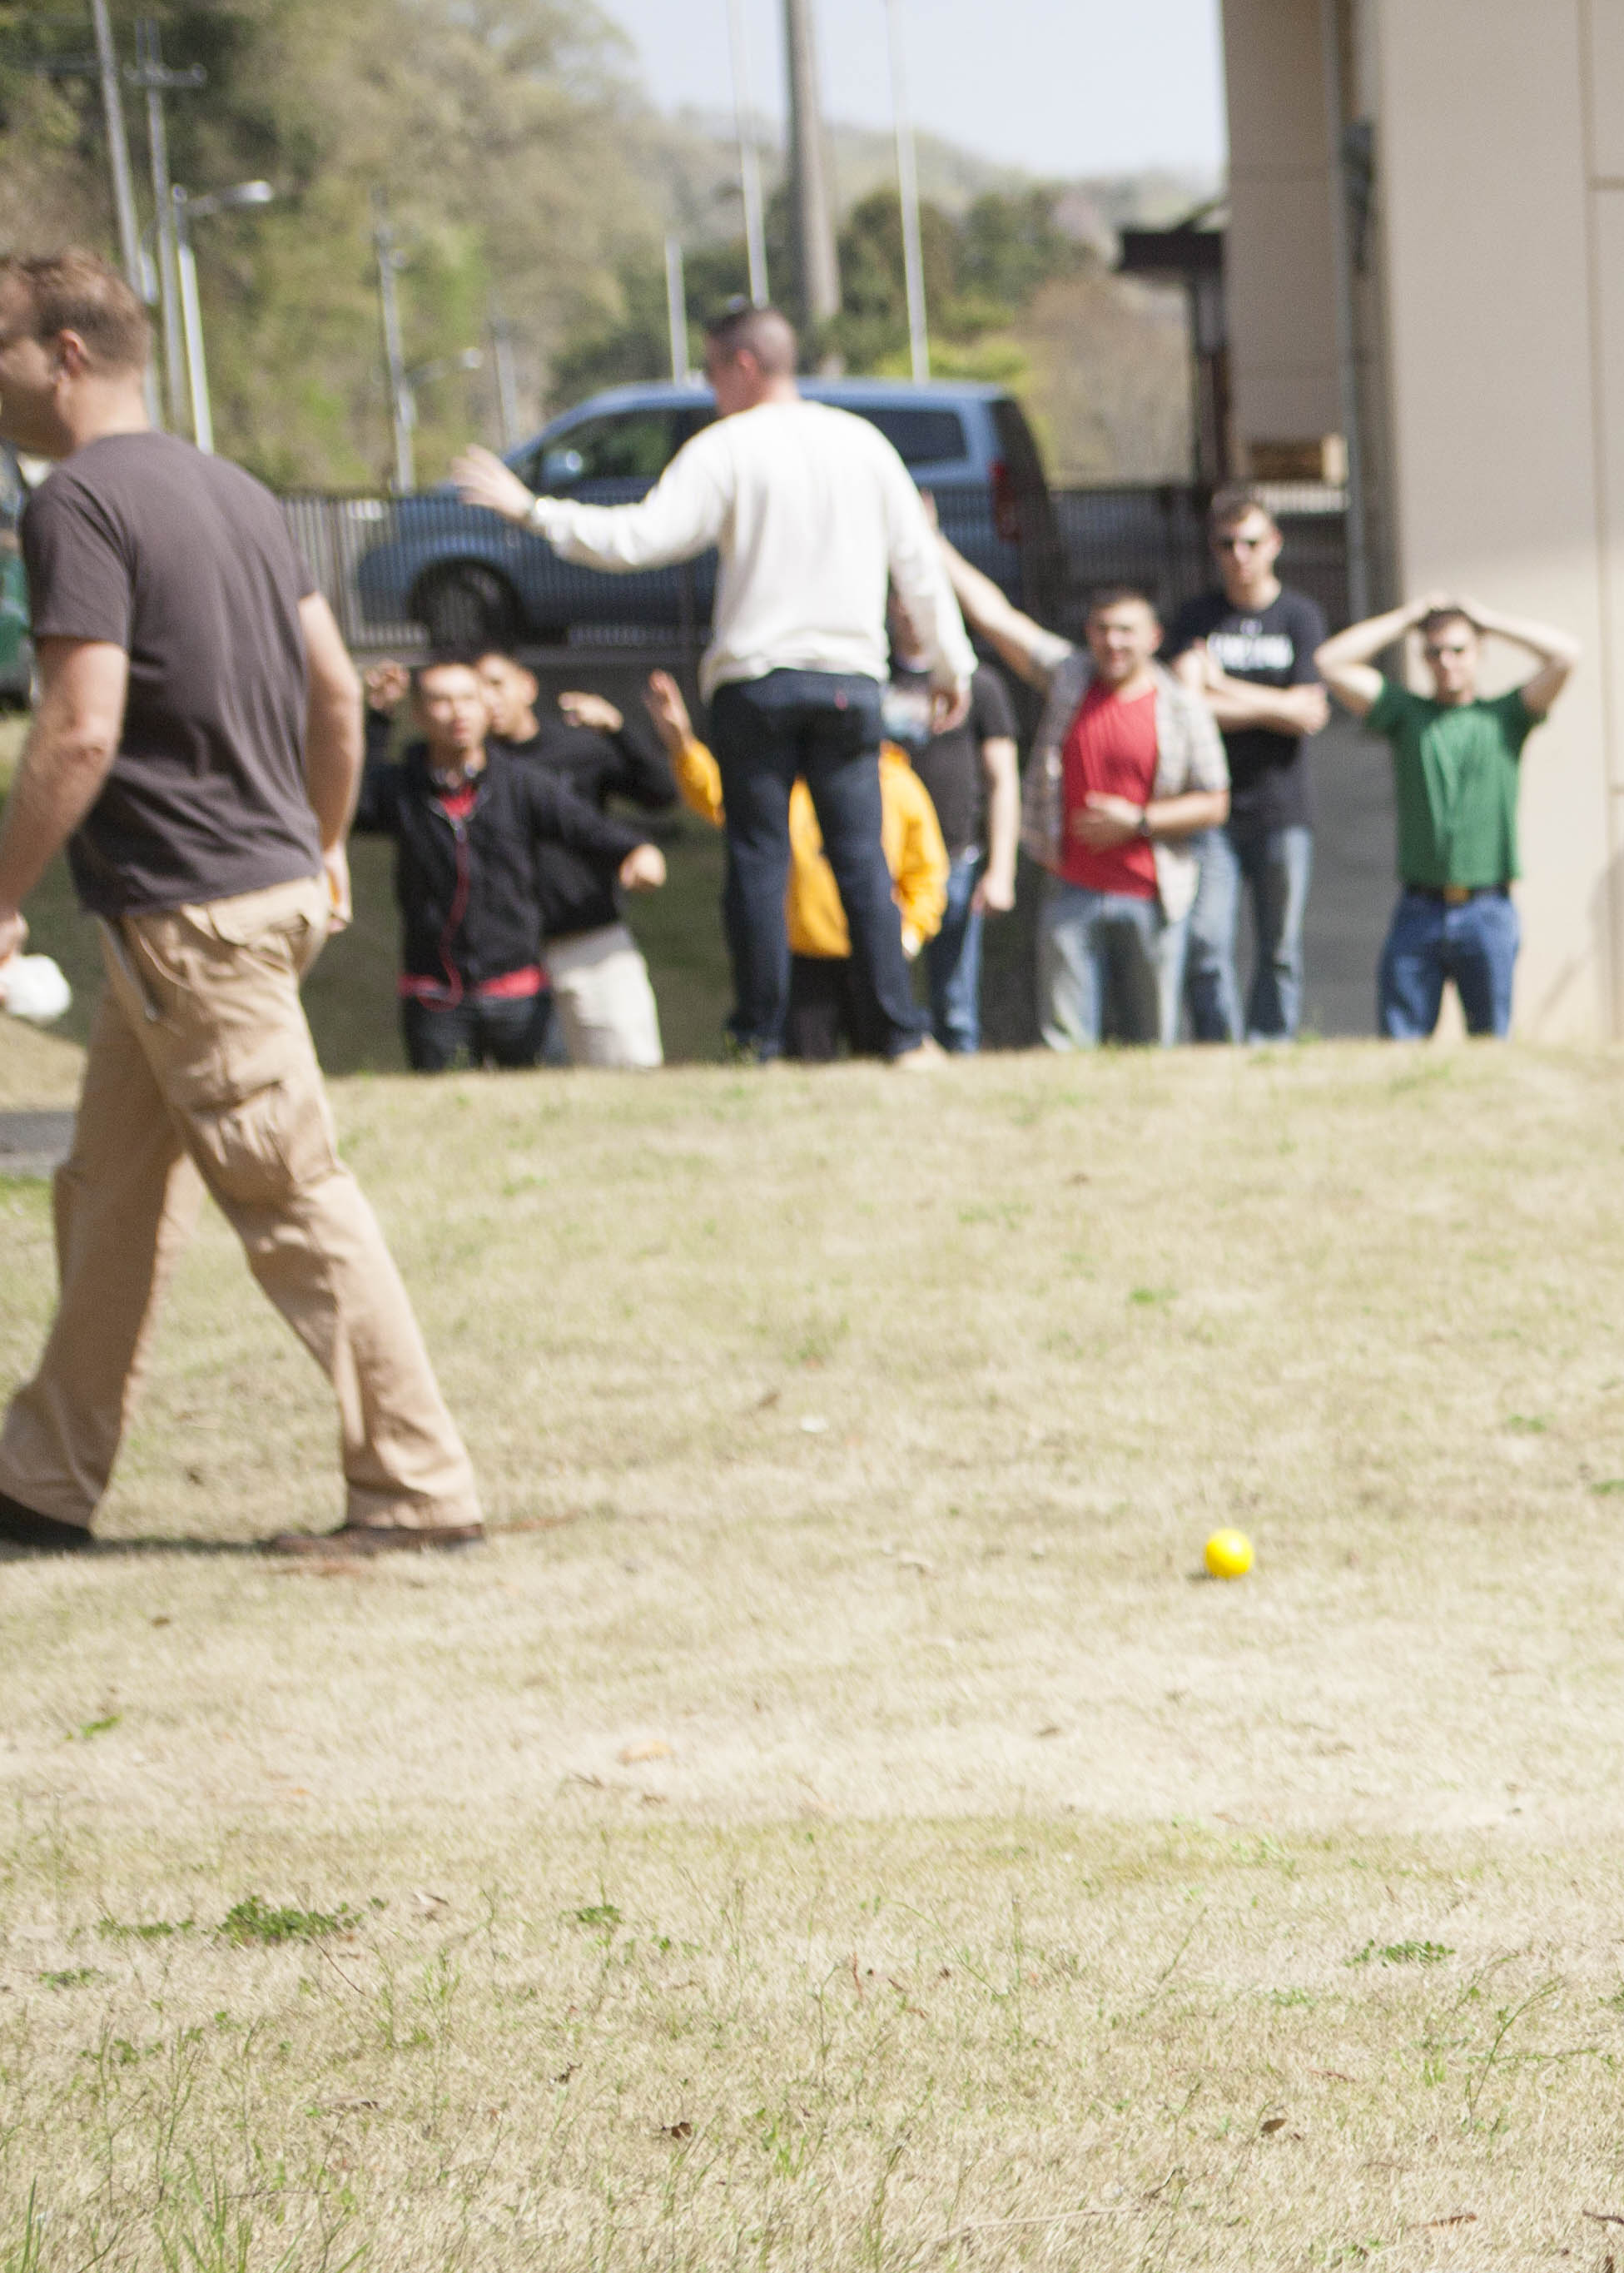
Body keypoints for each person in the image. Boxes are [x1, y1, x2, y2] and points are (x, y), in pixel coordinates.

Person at [0, 250, 484, 1559]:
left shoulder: (77, 506)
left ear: (65, 355)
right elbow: (338, 692)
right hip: (242, 895)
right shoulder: (234, 490)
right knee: (105, 1189)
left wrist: (1, 895)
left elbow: (80, 730)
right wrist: (321, 845)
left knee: (292, 1197)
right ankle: (43, 1480)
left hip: (188, 916)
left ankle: (416, 1484)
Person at [451, 304, 968, 1065]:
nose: (708, 385)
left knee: (759, 858)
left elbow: (642, 537)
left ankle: (756, 1036)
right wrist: (952, 663)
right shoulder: (866, 445)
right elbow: (918, 563)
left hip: (757, 681)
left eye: (711, 369)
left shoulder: (728, 446)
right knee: (859, 857)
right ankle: (899, 1032)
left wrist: (533, 510)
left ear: (744, 365)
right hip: (848, 683)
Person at [953, 575, 1228, 1051]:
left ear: (1153, 638)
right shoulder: (1069, 679)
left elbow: (1215, 801)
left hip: (1151, 896)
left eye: (1126, 630)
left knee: (1152, 1044)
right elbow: (996, 617)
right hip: (1072, 891)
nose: (1113, 642)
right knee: (1065, 1043)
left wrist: (1138, 820)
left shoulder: (1182, 707)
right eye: (1102, 629)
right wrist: (928, 540)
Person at [358, 653, 663, 1072]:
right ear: (419, 713)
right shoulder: (403, 788)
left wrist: (636, 851)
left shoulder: (520, 783)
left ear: (486, 706)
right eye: (442, 701)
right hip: (434, 997)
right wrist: (376, 721)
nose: (457, 712)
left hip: (518, 993)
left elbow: (586, 828)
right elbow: (355, 806)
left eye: (468, 698)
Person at [639, 667, 948, 1063]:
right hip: (804, 965)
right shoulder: (782, 789)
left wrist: (908, 936)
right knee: (804, 1073)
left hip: (874, 963)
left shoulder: (898, 785)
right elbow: (719, 798)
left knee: (885, 1064)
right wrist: (681, 742)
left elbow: (926, 873)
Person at [1312, 591, 1576, 1042]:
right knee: (1401, 1047)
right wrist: (1406, 618)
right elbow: (1330, 662)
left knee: (1491, 1046)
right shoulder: (1407, 715)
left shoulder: (1506, 717)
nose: (1447, 662)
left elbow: (1566, 656)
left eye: (1459, 650)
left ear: (1478, 653)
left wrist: (1489, 618)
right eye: (1435, 652)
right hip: (1419, 907)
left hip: (1488, 907)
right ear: (1423, 658)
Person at [1165, 490, 1331, 1042]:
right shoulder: (1196, 617)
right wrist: (1276, 704)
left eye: (1252, 543)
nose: (1240, 555)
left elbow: (1308, 718)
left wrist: (1224, 686)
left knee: (1279, 946)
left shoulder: (1301, 616)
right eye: (1227, 544)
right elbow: (1188, 709)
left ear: (1275, 544)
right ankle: (1220, 1049)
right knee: (1208, 941)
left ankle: (1270, 1050)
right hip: (1213, 810)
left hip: (1284, 810)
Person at [888, 623, 1016, 1054]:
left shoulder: (978, 682)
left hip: (956, 862)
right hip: (883, 867)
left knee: (956, 1006)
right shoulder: (870, 678)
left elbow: (1003, 781)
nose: (908, 607)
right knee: (885, 995)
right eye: (898, 593)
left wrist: (1001, 870)